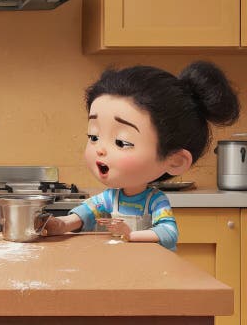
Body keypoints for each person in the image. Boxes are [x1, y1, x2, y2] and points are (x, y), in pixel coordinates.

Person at [43, 62, 240, 250]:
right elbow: (87, 212)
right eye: (94, 137)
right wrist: (61, 224)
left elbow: (169, 232)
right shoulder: (111, 198)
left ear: (175, 161)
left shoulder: (155, 201)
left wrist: (130, 234)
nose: (100, 150)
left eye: (121, 142)